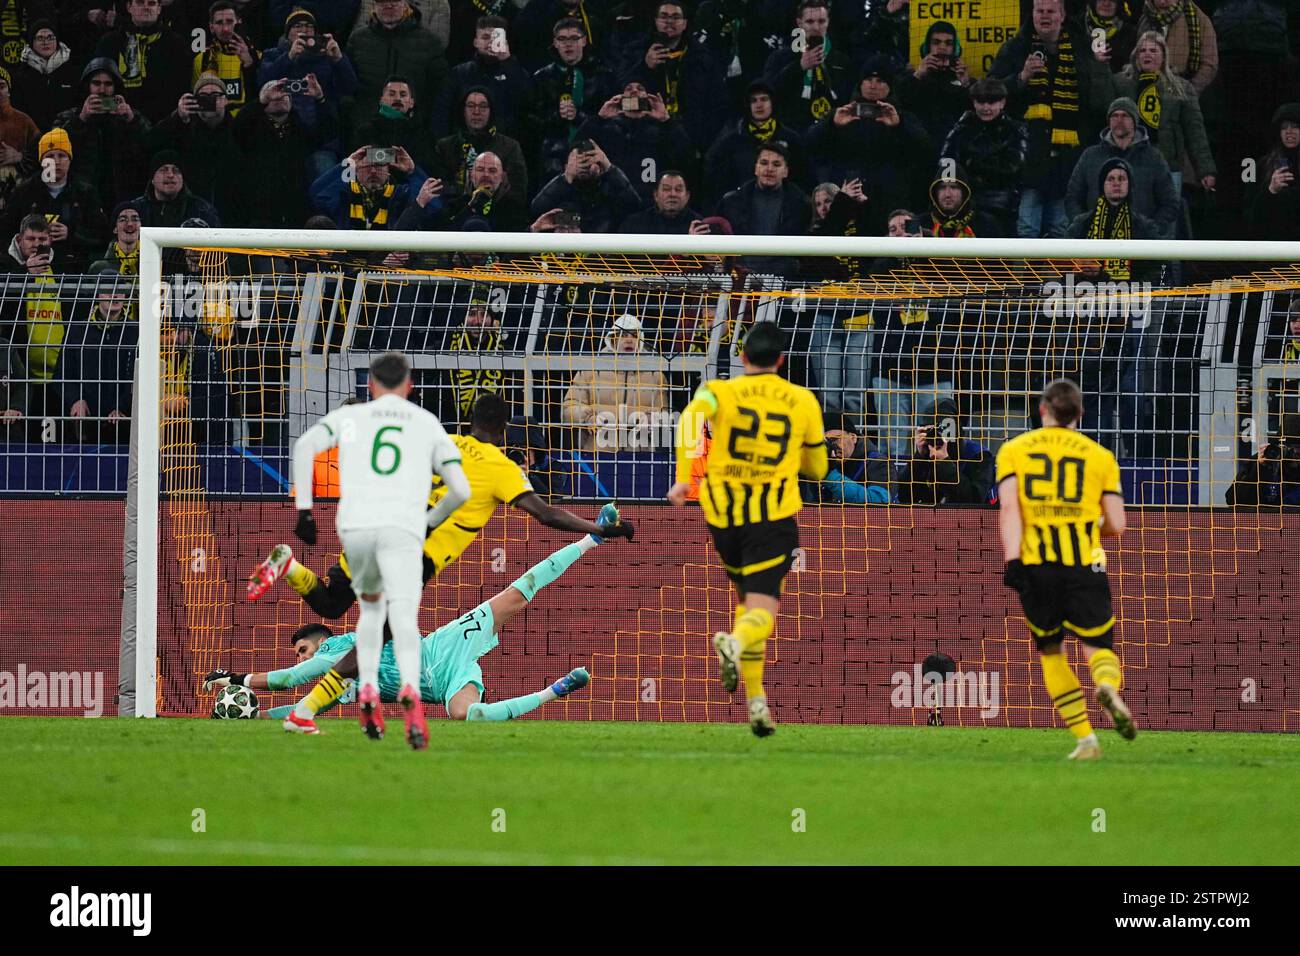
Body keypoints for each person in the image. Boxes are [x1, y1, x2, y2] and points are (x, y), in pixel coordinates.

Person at [248, 392, 634, 724]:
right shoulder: (500, 467)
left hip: (391, 560)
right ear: (503, 432)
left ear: (470, 422)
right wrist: (600, 530)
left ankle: (291, 567)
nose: (304, 654)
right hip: (416, 576)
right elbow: (546, 514)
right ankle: (590, 543)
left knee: (333, 606)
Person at [208, 530, 612, 724]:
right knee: (468, 716)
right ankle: (554, 691)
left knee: (516, 592)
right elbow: (301, 704)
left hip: (441, 649)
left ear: (322, 641)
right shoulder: (345, 682)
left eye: (303, 648)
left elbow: (291, 678)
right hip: (441, 681)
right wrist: (255, 715)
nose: (301, 658)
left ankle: (591, 539)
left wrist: (238, 678)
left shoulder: (335, 653)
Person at [285, 350, 470, 748]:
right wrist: (430, 521)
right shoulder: (425, 423)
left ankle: (367, 686)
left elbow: (303, 447)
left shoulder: (353, 418)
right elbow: (460, 490)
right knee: (401, 616)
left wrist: (305, 511)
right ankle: (408, 690)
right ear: (409, 385)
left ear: (369, 385)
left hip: (356, 530)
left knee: (369, 612)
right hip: (401, 530)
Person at [666, 321, 828, 736]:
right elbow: (819, 468)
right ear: (781, 360)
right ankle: (734, 645)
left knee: (745, 604)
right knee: (761, 610)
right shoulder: (801, 399)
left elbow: (688, 419)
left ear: (741, 358)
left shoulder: (719, 391)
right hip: (771, 518)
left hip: (722, 517)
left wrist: (684, 475)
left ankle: (757, 704)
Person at [997, 377, 1136, 760]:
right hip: (1084, 563)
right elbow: (1117, 524)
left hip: (1036, 564)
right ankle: (1107, 685)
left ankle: (1086, 739)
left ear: (1042, 410)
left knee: (1051, 651)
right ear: (1080, 414)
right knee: (1098, 646)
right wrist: (1090, 526)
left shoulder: (1013, 450)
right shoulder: (1100, 456)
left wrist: (1013, 558)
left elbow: (1010, 509)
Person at [988, 0, 1095, 238]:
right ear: (1032, 14)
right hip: (1029, 155)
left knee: (1060, 228)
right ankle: (1025, 277)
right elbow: (988, 90)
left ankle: (1054, 277)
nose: (1045, 16)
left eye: (1051, 11)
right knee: (1027, 226)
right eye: (1040, 11)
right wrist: (1021, 78)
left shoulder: (1081, 49)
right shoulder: (1016, 47)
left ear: (1063, 15)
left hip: (1068, 157)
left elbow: (1092, 100)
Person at [1088, 31, 1216, 197]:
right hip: (1128, 164)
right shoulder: (1120, 83)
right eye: (1142, 50)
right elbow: (1100, 105)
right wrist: (1099, 66)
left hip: (1167, 167)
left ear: (1164, 56)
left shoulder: (1181, 89)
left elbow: (1195, 132)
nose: (1147, 54)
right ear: (1136, 56)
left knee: (1166, 219)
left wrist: (1205, 170)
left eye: (1153, 50)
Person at [1065, 97, 1180, 239]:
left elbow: (1170, 202)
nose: (1119, 120)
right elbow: (1073, 197)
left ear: (1135, 121)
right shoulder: (1090, 156)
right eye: (1114, 115)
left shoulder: (1154, 157)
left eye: (1125, 115)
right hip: (1096, 243)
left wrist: (1150, 229)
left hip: (1140, 246)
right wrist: (1084, 225)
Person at [53, 59, 154, 214]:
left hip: (121, 196)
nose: (102, 90)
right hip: (80, 197)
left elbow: (150, 146)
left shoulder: (129, 116)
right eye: (96, 83)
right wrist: (81, 120)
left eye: (108, 84)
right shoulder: (69, 116)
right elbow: (53, 147)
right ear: (87, 86)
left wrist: (132, 120)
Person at [527, 16, 619, 184]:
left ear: (584, 40)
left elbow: (614, 121)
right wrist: (557, 116)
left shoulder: (604, 76)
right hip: (553, 160)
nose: (568, 44)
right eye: (562, 39)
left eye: (573, 38)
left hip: (595, 155)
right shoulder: (541, 78)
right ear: (555, 43)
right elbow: (531, 122)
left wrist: (579, 116)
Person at [562, 313, 669, 452]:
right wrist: (588, 418)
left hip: (640, 454)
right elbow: (568, 408)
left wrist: (651, 419)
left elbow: (665, 413)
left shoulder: (655, 374)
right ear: (613, 339)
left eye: (634, 335)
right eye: (623, 334)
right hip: (598, 453)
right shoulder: (591, 369)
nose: (629, 340)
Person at [938, 78, 1028, 238]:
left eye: (991, 102)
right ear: (974, 102)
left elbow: (1013, 167)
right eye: (981, 102)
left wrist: (971, 165)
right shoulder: (961, 128)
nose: (986, 108)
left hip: (1002, 205)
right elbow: (946, 163)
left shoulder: (1016, 130)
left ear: (1002, 103)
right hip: (964, 204)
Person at [703, 79, 805, 208]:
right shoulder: (731, 141)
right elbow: (714, 179)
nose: (759, 105)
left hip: (784, 208)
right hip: (742, 208)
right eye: (754, 100)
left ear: (772, 102)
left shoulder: (791, 139)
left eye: (764, 99)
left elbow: (803, 177)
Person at [431, 14, 534, 138]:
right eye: (485, 37)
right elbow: (442, 114)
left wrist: (507, 62)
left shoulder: (516, 72)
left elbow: (527, 102)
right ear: (475, 42)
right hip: (464, 145)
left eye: (496, 38)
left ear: (505, 41)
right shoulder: (459, 73)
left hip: (505, 146)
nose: (490, 42)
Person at [93, 0, 193, 124]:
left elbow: (182, 92)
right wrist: (121, 110)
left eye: (151, 3)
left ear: (159, 9)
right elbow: (97, 91)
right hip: (117, 122)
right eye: (140, 2)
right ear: (129, 7)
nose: (146, 7)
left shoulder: (177, 45)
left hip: (164, 125)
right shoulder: (109, 43)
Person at [764, 1, 854, 136]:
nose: (816, 27)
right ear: (799, 23)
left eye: (822, 21)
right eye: (810, 22)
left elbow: (848, 99)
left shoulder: (841, 60)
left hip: (831, 132)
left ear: (828, 22)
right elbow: (767, 93)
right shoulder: (781, 58)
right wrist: (799, 67)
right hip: (791, 131)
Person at [895, 399, 995, 505]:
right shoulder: (926, 453)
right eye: (931, 430)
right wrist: (918, 457)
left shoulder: (979, 456)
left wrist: (944, 461)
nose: (937, 435)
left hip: (967, 519)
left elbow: (974, 501)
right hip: (928, 519)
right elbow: (904, 497)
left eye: (942, 429)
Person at [530, 139, 641, 234]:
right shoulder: (560, 191)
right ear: (566, 167)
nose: (583, 166)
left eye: (588, 160)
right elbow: (536, 211)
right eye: (577, 161)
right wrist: (565, 179)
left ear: (600, 166)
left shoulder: (612, 189)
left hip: (603, 254)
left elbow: (634, 206)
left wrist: (610, 169)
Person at [805, 412, 891, 504]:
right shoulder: (813, 464)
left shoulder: (877, 462)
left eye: (834, 439)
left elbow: (880, 501)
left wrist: (829, 474)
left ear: (853, 437)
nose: (831, 447)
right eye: (824, 443)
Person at [10, 22, 80, 133]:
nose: (45, 42)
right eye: (40, 38)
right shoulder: (21, 76)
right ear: (32, 42)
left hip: (67, 135)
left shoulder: (72, 72)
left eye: (50, 37)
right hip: (32, 136)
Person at [1135, 0, 1217, 94]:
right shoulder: (1144, 19)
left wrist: (1189, 91)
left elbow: (1209, 64)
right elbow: (1135, 58)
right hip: (1146, 89)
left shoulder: (1199, 19)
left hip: (1183, 91)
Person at [1247, 103, 1300, 241]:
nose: (1289, 131)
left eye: (1295, 126)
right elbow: (1250, 214)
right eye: (1283, 128)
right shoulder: (1262, 165)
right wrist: (1271, 190)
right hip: (1275, 246)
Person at [618, 169, 703, 234]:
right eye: (666, 189)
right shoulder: (633, 225)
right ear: (656, 195)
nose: (672, 194)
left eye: (678, 189)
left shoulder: (699, 225)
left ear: (687, 196)